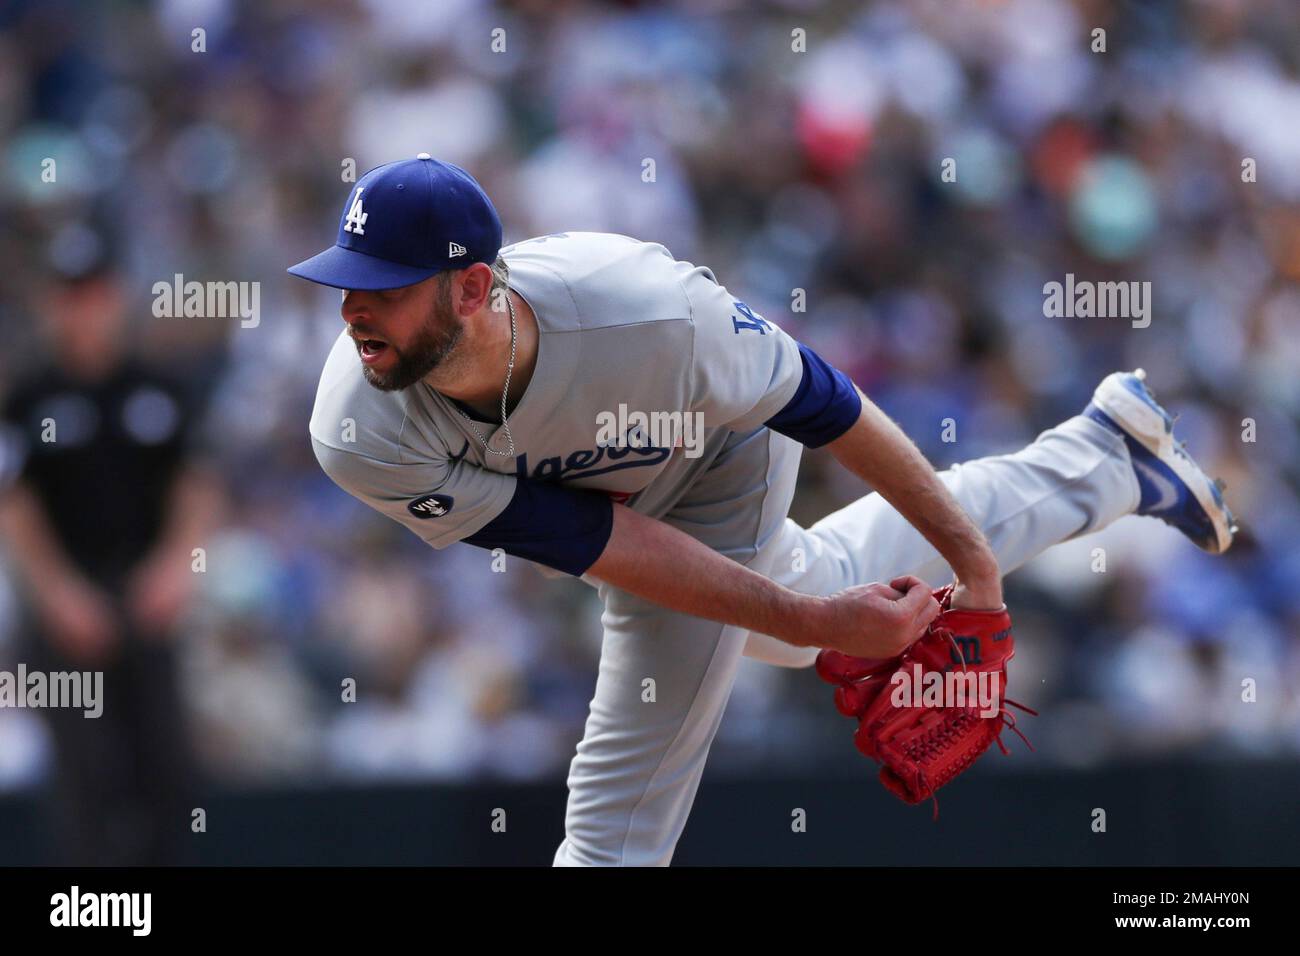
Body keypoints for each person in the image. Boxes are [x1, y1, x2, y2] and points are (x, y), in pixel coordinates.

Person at [288, 155, 1236, 866]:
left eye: (385, 289)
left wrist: (977, 573)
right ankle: (1106, 455)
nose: (353, 312)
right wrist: (818, 622)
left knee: (620, 805)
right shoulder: (358, 429)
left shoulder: (652, 314)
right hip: (611, 507)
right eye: (347, 285)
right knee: (803, 601)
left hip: (718, 449)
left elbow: (834, 412)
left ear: (473, 287)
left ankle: (1096, 463)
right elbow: (598, 541)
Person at [0, 261, 219, 865]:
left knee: (167, 768)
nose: (85, 311)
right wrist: (57, 593)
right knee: (86, 776)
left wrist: (178, 569)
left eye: (95, 295)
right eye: (71, 297)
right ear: (52, 305)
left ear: (115, 298)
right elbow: (15, 503)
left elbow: (197, 482)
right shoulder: (31, 396)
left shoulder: (157, 386)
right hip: (66, 610)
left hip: (149, 597)